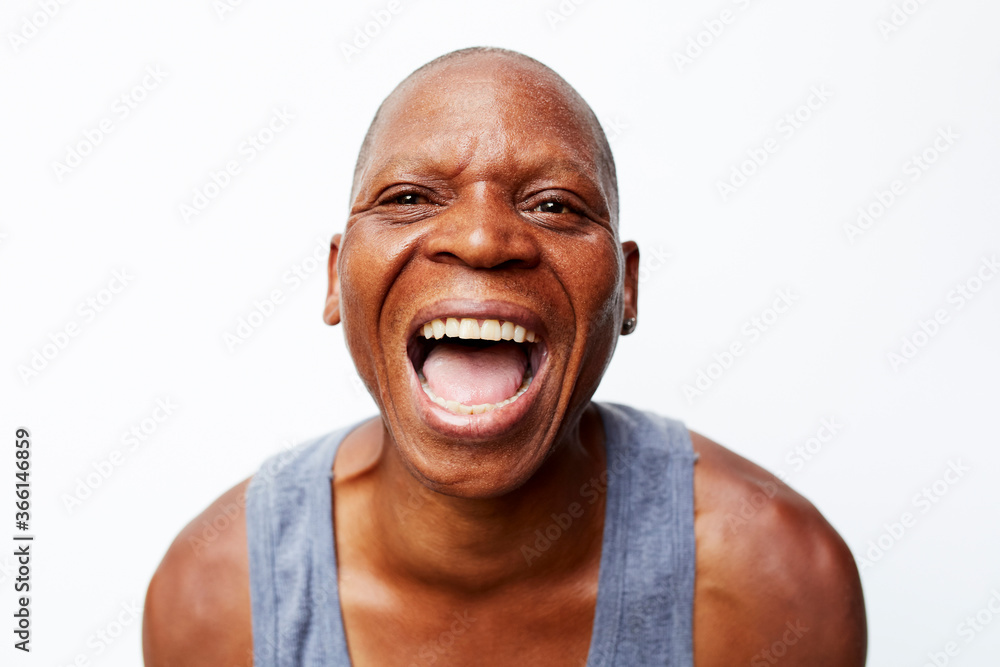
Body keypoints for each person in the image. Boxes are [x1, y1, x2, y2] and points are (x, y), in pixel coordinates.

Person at [142, 47, 866, 666]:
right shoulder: (217, 594)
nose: (484, 240)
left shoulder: (775, 579)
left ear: (628, 288)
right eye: (411, 197)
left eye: (554, 204)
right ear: (336, 277)